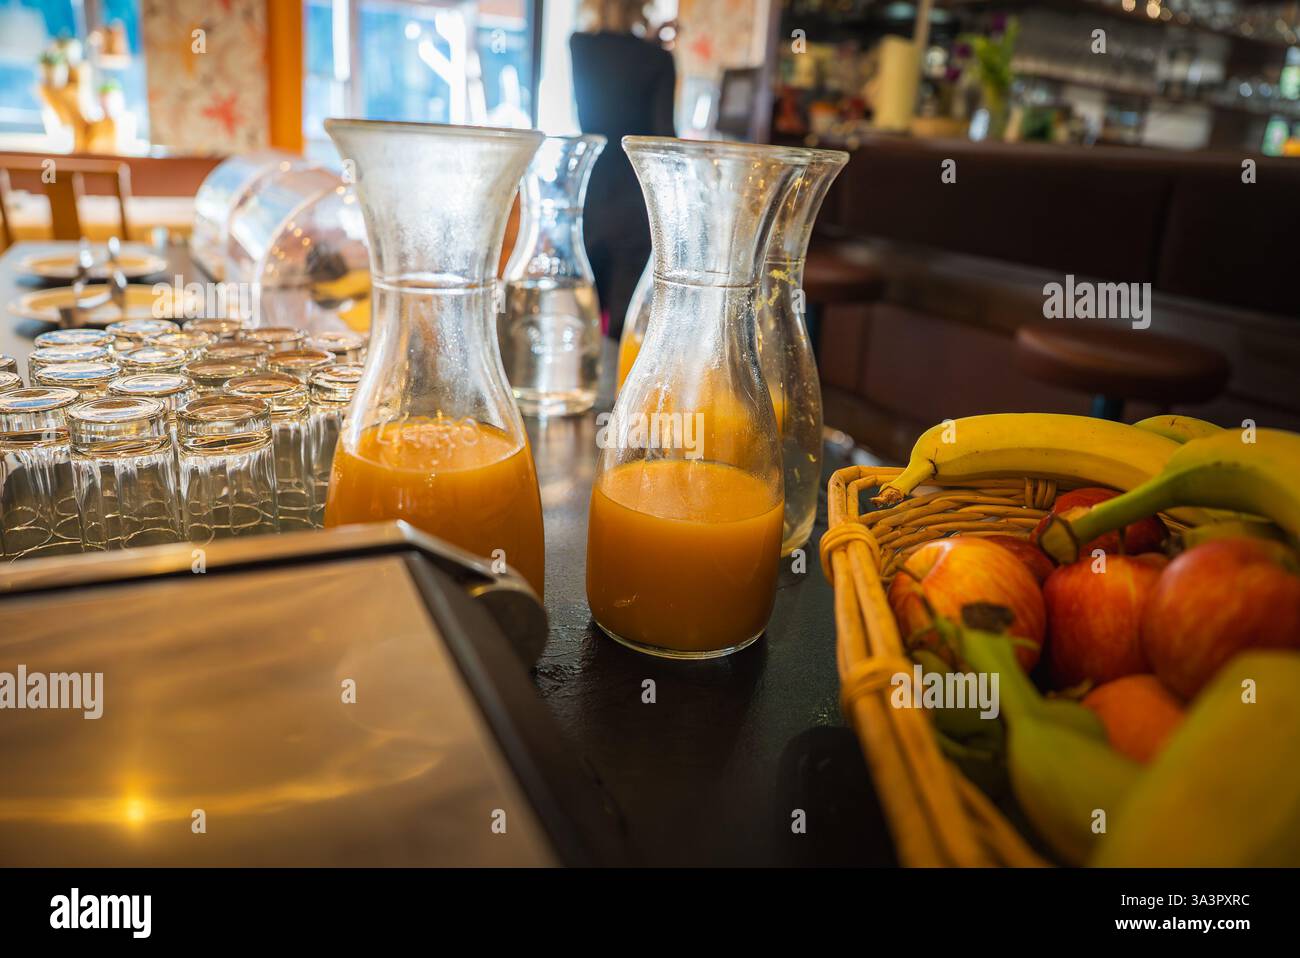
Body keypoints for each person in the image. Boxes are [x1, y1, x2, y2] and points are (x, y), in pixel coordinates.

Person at [570, 0, 675, 339]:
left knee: (585, 312)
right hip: (636, 195)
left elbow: (600, 104)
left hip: (592, 189)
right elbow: (662, 137)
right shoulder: (658, 59)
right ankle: (618, 391)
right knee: (625, 320)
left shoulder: (579, 45)